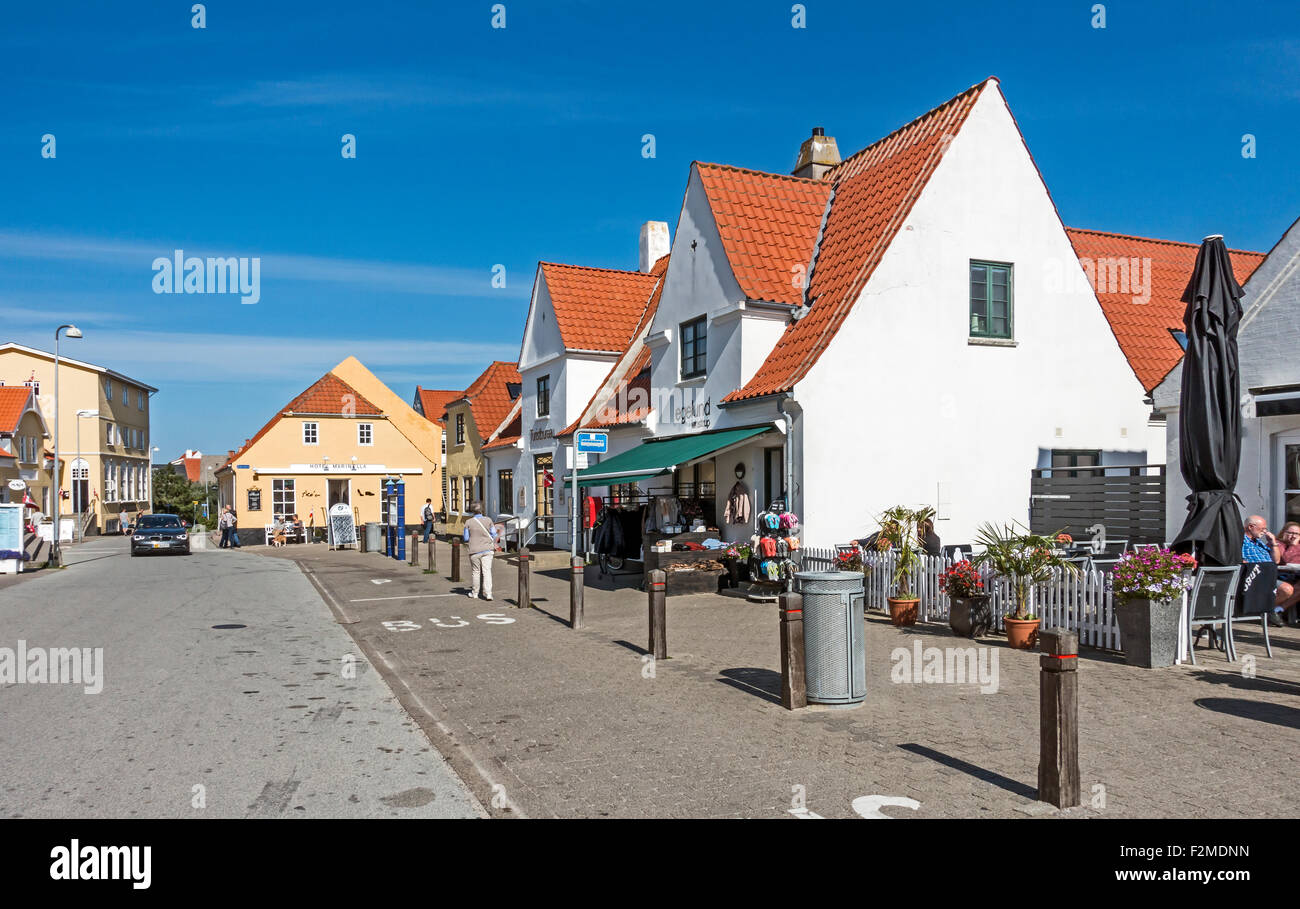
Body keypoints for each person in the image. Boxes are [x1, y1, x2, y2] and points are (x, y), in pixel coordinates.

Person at [1242, 516, 1287, 627]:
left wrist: (1273, 542)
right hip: (1253, 577)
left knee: (1287, 589)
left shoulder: (1259, 542)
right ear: (1251, 527)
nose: (1265, 531)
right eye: (1263, 529)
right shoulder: (1241, 540)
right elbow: (1241, 560)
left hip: (1268, 576)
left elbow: (1276, 560)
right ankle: (1267, 610)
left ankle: (1266, 609)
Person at [463, 501, 498, 601]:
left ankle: (475, 593)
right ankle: (488, 594)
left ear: (472, 511)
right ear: (482, 510)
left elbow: (466, 538)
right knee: (487, 571)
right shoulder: (489, 520)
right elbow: (494, 534)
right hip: (487, 549)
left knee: (476, 572)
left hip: (474, 550)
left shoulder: (468, 522)